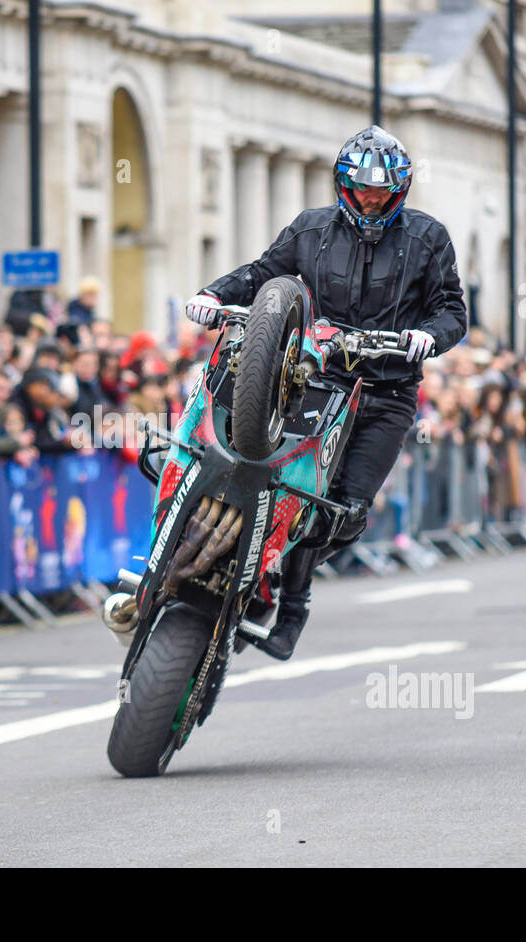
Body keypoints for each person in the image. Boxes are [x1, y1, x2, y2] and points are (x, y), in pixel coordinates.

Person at [184, 125, 466, 659]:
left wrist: (427, 337)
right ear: (343, 184)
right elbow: (262, 274)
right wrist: (212, 294)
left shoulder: (429, 238)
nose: (372, 199)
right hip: (314, 385)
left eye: (383, 191)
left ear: (401, 189)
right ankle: (248, 577)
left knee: (346, 510)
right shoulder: (310, 229)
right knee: (279, 487)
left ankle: (295, 604)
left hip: (387, 394)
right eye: (363, 189)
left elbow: (452, 309)